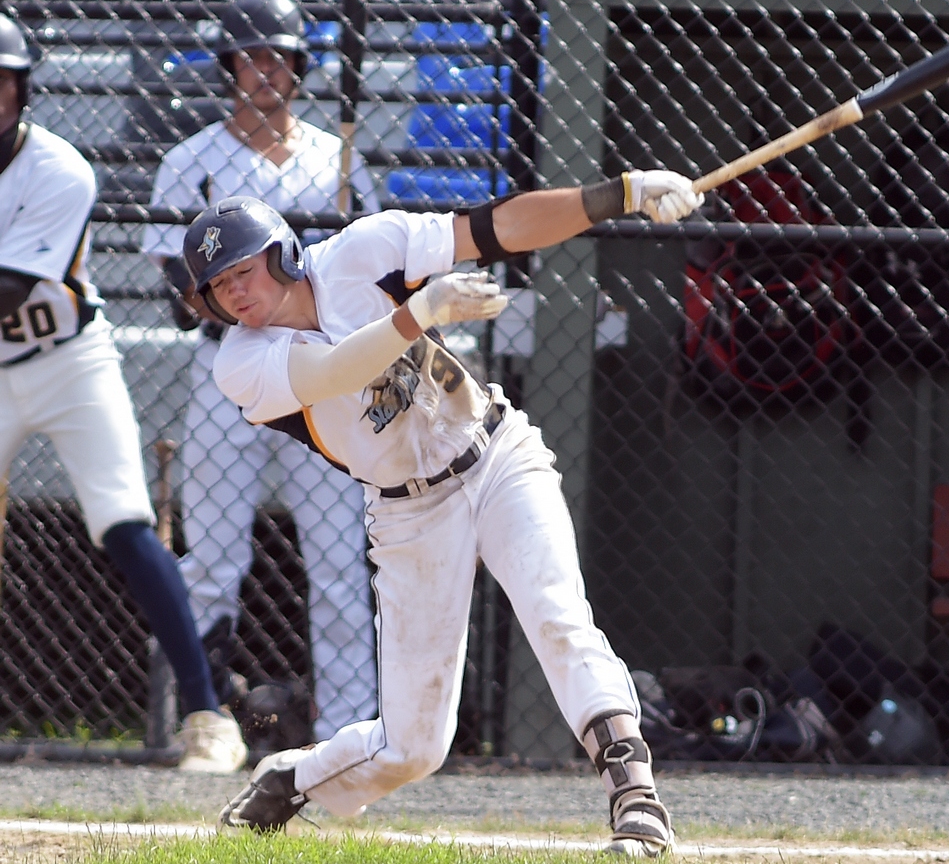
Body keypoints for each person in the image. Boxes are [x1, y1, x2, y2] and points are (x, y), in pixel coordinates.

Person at [182, 168, 703, 852]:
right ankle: (296, 778)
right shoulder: (240, 363)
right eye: (219, 286)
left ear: (282, 253)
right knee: (414, 747)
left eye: (242, 271)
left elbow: (498, 227)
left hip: (494, 453)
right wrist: (419, 314)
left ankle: (635, 797)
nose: (235, 294)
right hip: (410, 512)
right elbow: (333, 371)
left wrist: (622, 195)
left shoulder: (366, 249)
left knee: (558, 615)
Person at [0, 15, 246, 771]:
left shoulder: (60, 169)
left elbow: (9, 289)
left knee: (124, 522)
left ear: (24, 89)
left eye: (2, 80)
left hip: (68, 359)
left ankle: (207, 716)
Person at [141, 0, 379, 744]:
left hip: (323, 370)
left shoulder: (337, 157)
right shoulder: (191, 161)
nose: (265, 70)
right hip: (231, 373)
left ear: (300, 68)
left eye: (278, 56)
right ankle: (203, 719)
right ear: (230, 67)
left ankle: (354, 731)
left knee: (340, 560)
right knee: (212, 558)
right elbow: (178, 295)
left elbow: (363, 272)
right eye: (251, 57)